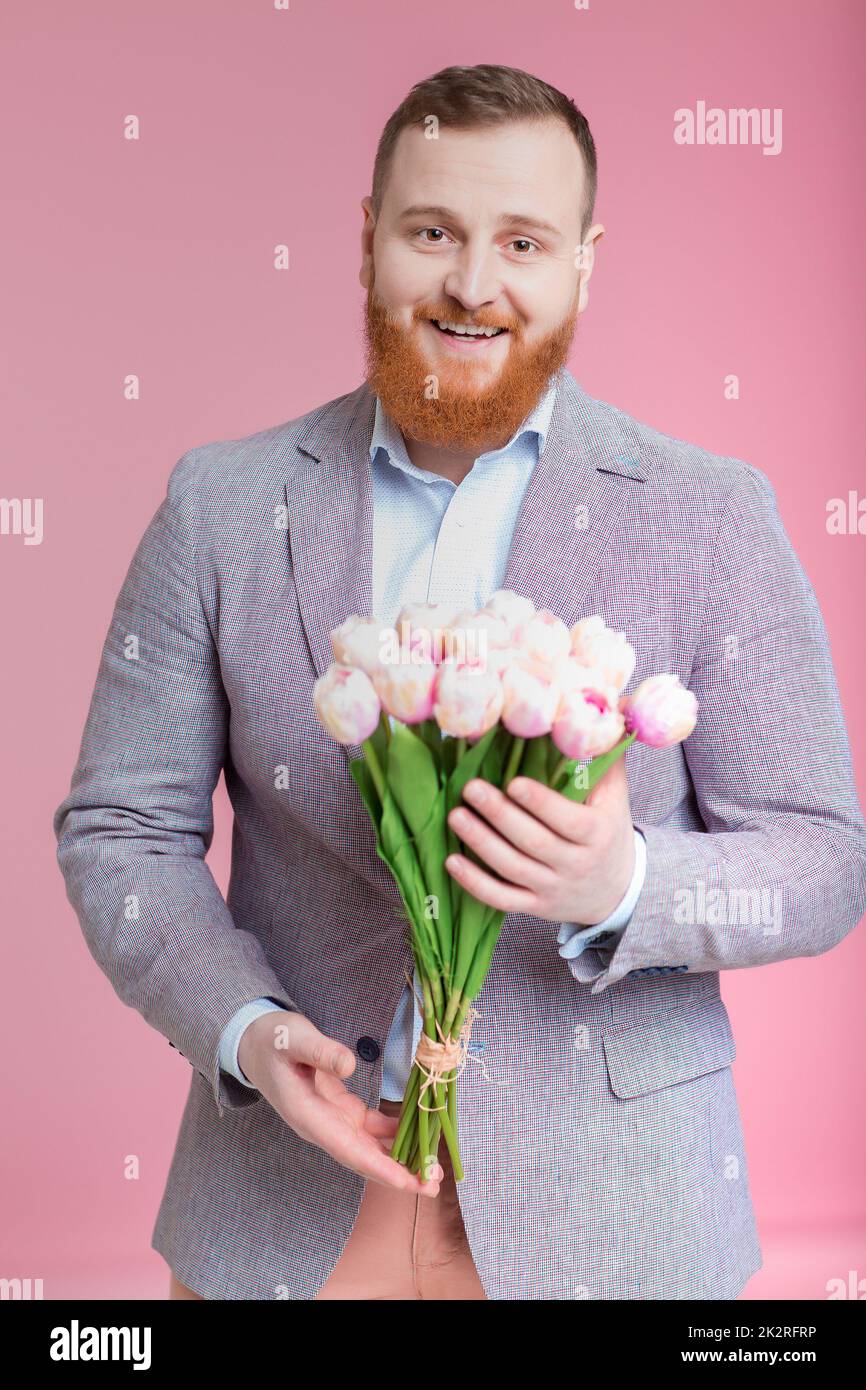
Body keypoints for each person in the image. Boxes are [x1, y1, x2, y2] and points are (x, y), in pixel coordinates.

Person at [54, 64, 866, 1301]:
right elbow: (121, 830)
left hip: (616, 1223)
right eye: (431, 231)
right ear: (366, 237)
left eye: (523, 242)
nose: (472, 285)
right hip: (285, 1203)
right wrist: (249, 1034)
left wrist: (624, 882)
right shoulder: (217, 505)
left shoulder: (711, 516)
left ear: (583, 263)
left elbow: (821, 854)